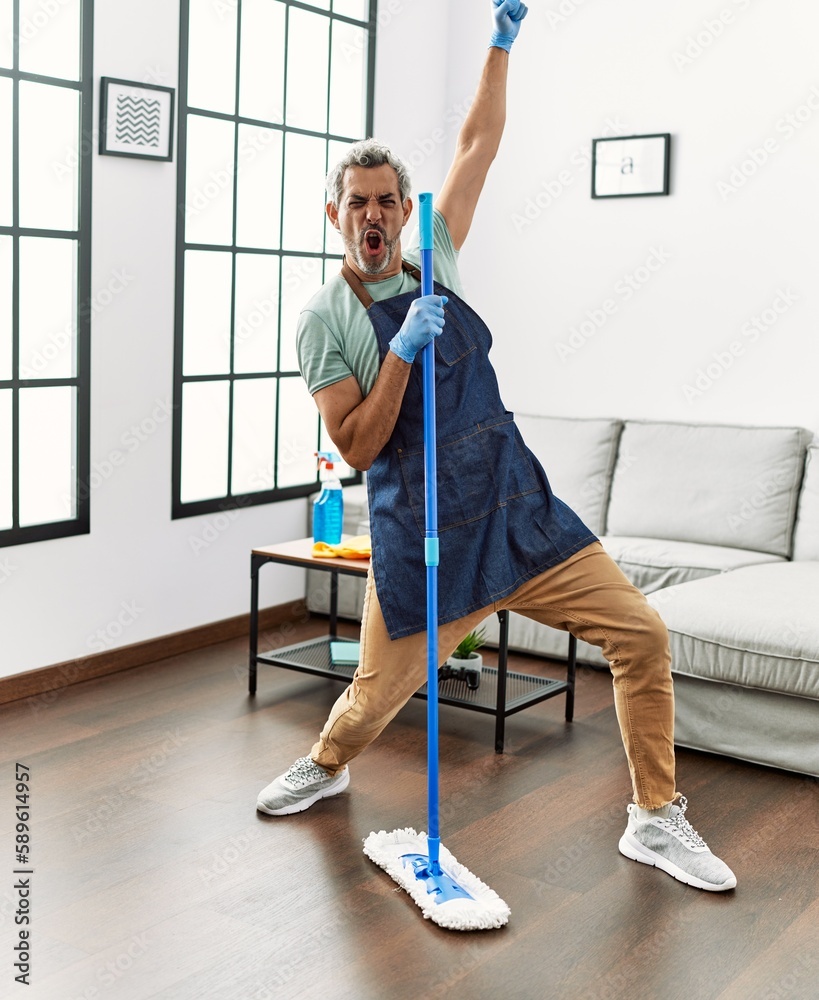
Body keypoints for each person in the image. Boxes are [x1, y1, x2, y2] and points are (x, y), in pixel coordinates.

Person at [257, 0, 736, 893]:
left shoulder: (434, 255)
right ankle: (323, 766)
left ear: (402, 210)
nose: (373, 215)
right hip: (426, 535)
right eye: (357, 203)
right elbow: (355, 446)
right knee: (375, 693)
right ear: (334, 215)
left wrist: (498, 42)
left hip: (516, 508)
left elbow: (477, 143)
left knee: (640, 634)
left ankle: (652, 817)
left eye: (386, 201)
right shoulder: (324, 320)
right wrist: (400, 353)